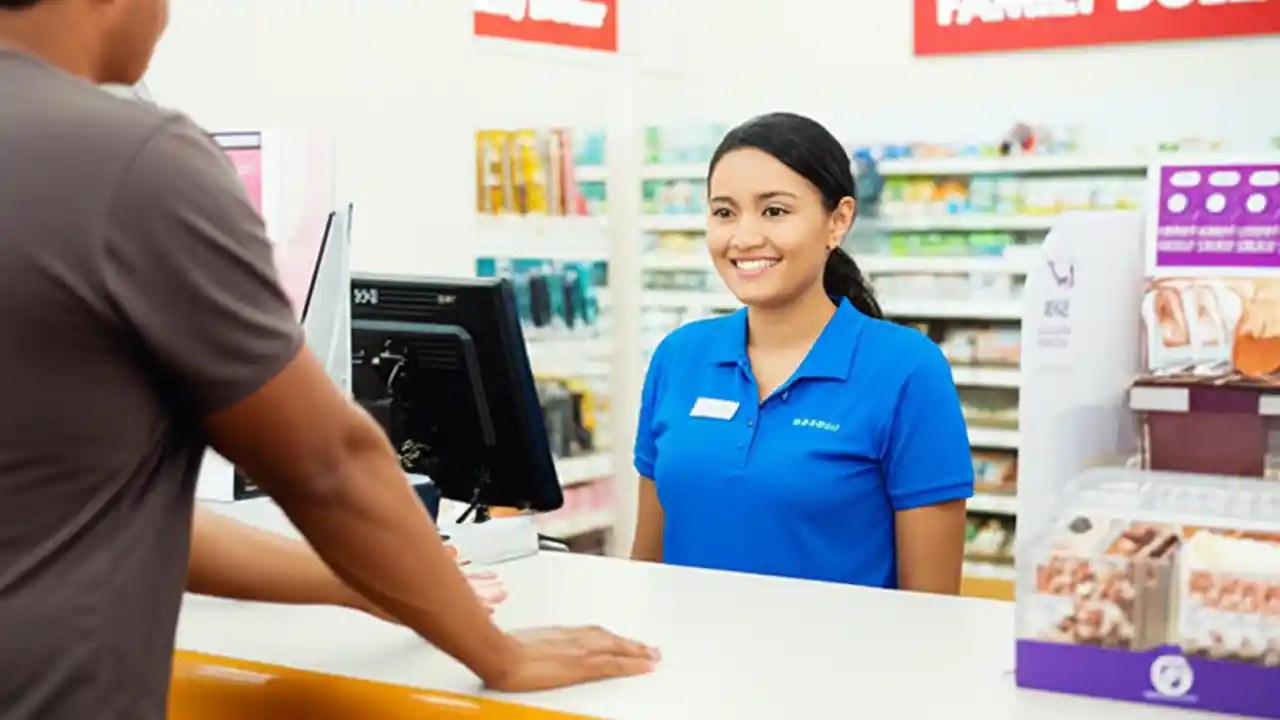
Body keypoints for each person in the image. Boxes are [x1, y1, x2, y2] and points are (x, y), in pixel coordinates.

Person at [0, 1, 657, 718]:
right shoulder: (129, 159)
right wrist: (498, 651)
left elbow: (96, 513)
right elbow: (328, 464)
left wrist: (364, 580)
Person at [630, 112, 974, 594]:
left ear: (838, 221)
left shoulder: (906, 370)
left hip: (837, 668)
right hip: (686, 663)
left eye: (774, 211)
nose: (744, 237)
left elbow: (932, 604)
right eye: (724, 212)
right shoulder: (679, 357)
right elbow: (646, 567)